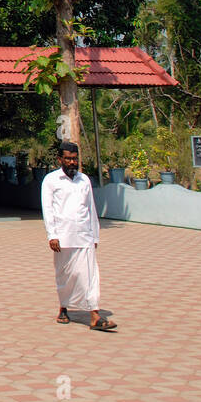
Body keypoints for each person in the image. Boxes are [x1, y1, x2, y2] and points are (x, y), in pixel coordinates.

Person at [40, 142, 117, 331]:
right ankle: (64, 308)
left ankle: (95, 315)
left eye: (75, 159)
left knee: (90, 275)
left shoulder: (84, 180)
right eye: (68, 159)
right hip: (62, 237)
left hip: (84, 236)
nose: (72, 162)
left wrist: (95, 235)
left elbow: (91, 208)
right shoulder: (51, 180)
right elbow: (47, 210)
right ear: (60, 160)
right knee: (65, 275)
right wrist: (52, 235)